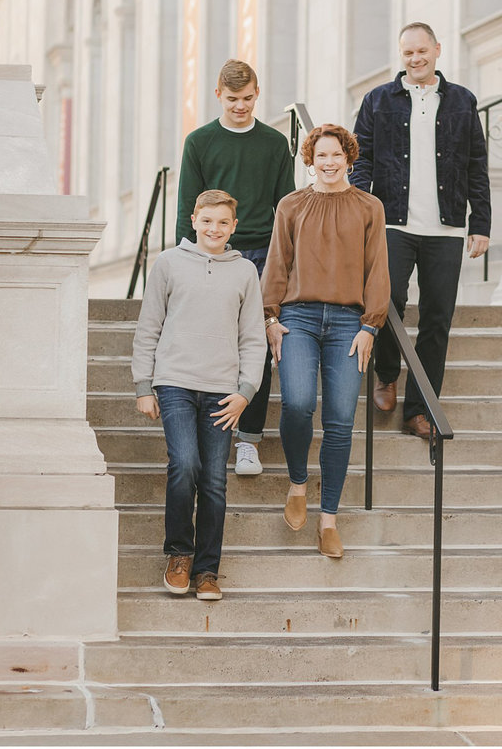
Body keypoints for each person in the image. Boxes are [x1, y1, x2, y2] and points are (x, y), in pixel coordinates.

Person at [349, 23, 491, 443]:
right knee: (389, 301)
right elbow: (361, 159)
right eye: (408, 52)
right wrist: (361, 213)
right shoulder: (377, 100)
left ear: (437, 50)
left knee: (437, 318)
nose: (415, 59)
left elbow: (476, 166)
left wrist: (479, 223)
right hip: (392, 223)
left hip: (445, 227)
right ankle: (387, 373)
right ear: (401, 54)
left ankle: (421, 408)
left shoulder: (463, 101)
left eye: (422, 51)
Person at [131, 187, 266, 602]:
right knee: (185, 464)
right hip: (174, 382)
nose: (214, 228)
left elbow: (253, 338)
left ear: (234, 227)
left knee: (213, 480)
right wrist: (143, 385)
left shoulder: (244, 272)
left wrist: (246, 391)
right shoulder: (169, 263)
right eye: (207, 220)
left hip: (223, 392)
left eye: (223, 222)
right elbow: (149, 325)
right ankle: (179, 554)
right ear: (194, 220)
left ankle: (207, 570)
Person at [262, 123, 389, 559]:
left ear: (349, 159)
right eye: (322, 156)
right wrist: (269, 317)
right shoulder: (291, 205)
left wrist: (371, 325)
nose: (330, 163)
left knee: (339, 420)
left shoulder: (370, 207)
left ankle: (329, 519)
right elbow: (277, 262)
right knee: (297, 403)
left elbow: (377, 269)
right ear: (310, 161)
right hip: (297, 317)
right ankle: (298, 482)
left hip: (349, 324)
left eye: (337, 155)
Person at [174, 58, 296, 479]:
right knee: (211, 341)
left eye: (247, 98)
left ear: (257, 93)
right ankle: (205, 434)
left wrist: (287, 264)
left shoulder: (275, 144)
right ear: (217, 96)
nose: (240, 106)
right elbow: (188, 206)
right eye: (232, 99)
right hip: (210, 252)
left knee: (256, 349)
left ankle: (248, 440)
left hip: (262, 254)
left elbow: (287, 208)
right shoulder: (200, 141)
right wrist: (184, 258)